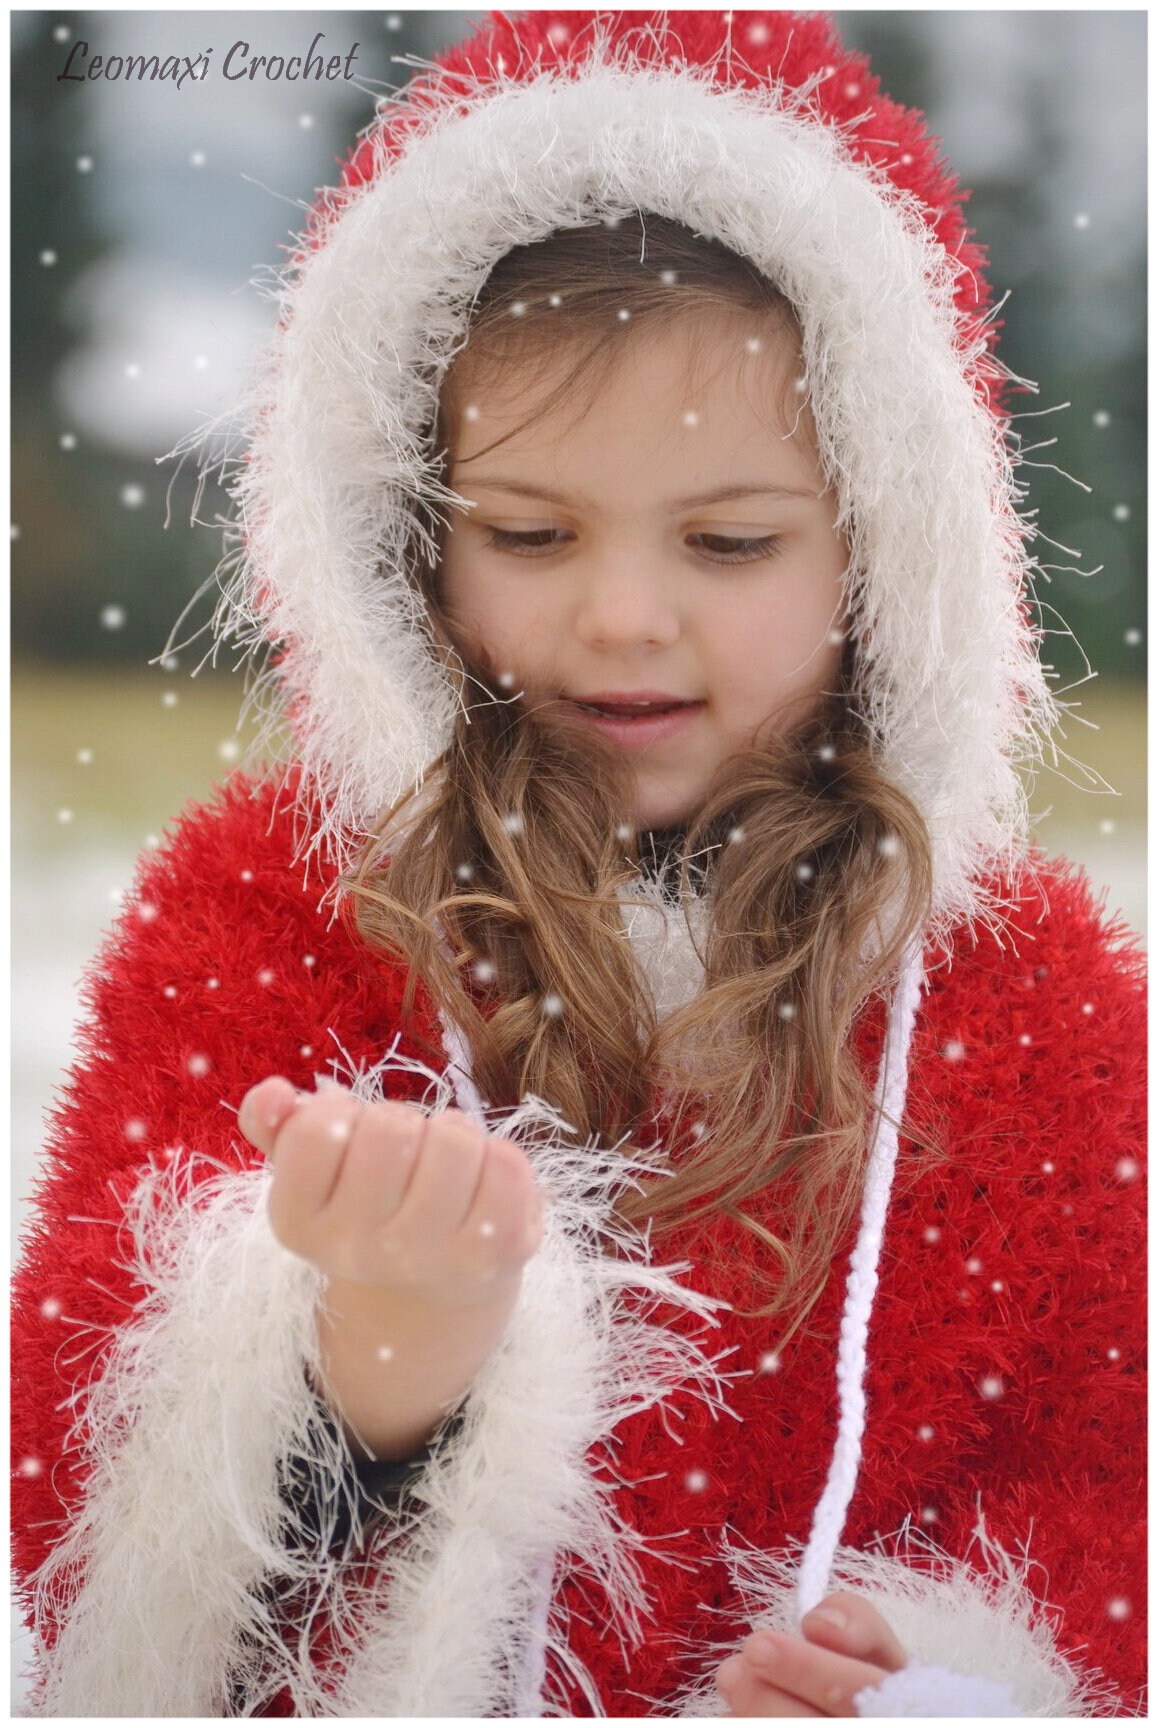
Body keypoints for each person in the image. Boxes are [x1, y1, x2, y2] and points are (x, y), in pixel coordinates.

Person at [11, 10, 1145, 1718]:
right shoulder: (275, 905)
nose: (623, 615)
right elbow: (81, 1540)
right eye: (530, 535)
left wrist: (950, 1686)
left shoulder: (1028, 1001)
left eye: (729, 539)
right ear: (411, 541)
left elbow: (1104, 1506)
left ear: (885, 543)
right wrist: (375, 1349)